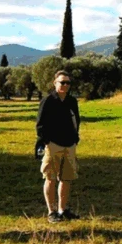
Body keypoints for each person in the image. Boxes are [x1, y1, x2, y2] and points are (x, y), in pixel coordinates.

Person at [35, 69, 81, 222]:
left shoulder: (72, 101)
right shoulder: (47, 101)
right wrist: (48, 142)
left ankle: (63, 210)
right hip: (53, 145)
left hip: (70, 145)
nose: (65, 85)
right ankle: (52, 212)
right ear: (55, 83)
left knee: (66, 179)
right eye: (62, 82)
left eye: (68, 83)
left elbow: (77, 121)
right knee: (50, 178)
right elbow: (40, 125)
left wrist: (75, 139)